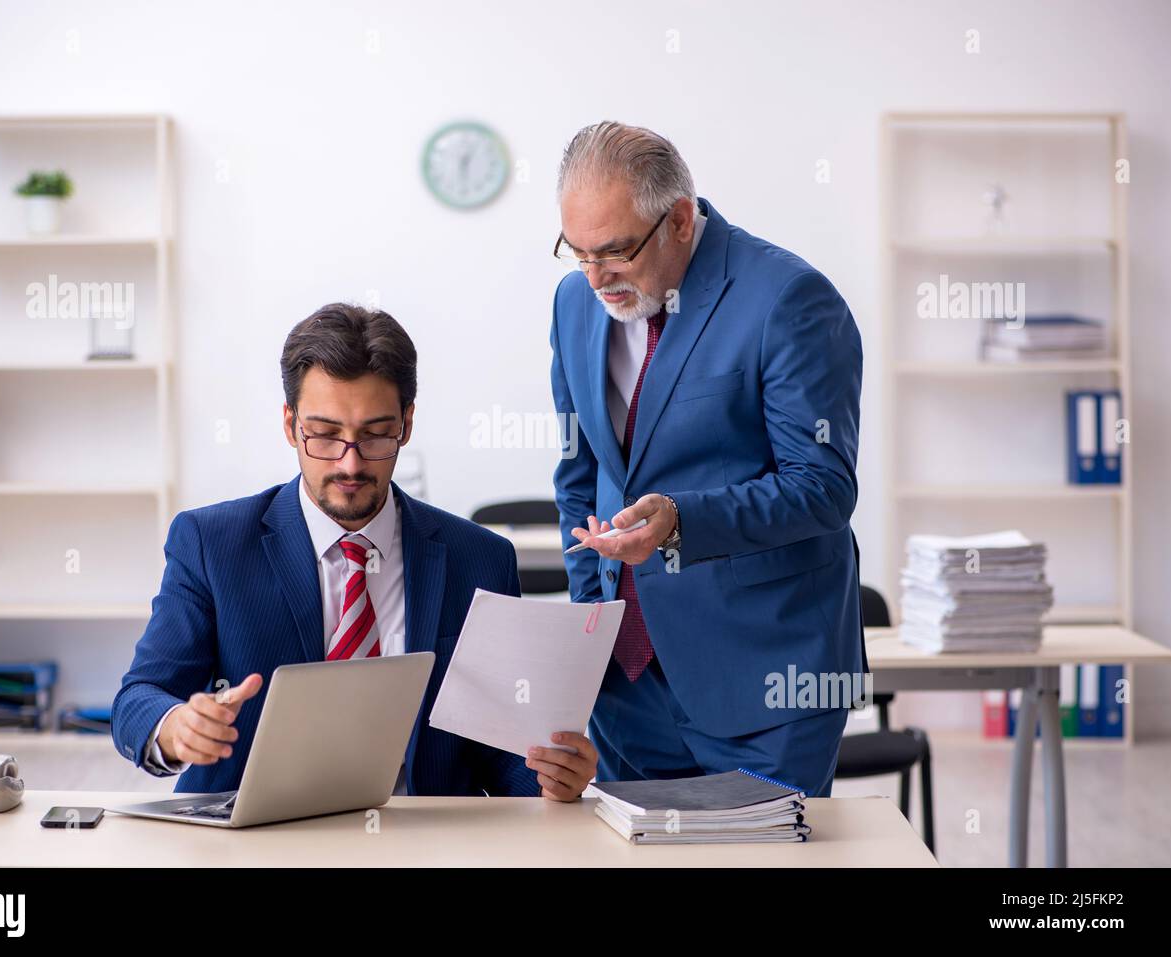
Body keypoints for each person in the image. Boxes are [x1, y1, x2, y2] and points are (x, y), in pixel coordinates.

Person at [112, 302, 598, 800]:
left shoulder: (480, 558)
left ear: (406, 424)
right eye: (324, 435)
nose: (349, 463)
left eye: (374, 435)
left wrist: (553, 776)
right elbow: (137, 700)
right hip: (257, 842)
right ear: (289, 424)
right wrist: (177, 727)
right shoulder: (212, 543)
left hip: (427, 841)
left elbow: (503, 756)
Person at [548, 121, 866, 797]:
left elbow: (823, 486)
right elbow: (579, 476)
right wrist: (587, 633)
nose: (596, 277)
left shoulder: (788, 299)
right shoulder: (574, 301)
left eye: (614, 252)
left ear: (682, 220)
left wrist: (681, 521)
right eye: (576, 253)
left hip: (764, 679)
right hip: (624, 682)